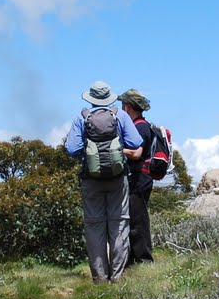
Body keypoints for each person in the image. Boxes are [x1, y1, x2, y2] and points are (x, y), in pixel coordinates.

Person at [64, 79, 143, 283]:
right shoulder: (121, 116)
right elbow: (135, 143)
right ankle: (117, 278)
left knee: (94, 226)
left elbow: (72, 149)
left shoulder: (81, 118)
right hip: (118, 178)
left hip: (91, 179)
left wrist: (90, 154)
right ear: (109, 98)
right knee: (118, 225)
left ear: (90, 98)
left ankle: (99, 278)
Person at [119, 88, 158, 264]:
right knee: (135, 219)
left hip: (139, 180)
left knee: (138, 221)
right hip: (141, 178)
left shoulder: (140, 127)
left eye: (123, 105)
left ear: (128, 107)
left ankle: (144, 260)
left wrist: (118, 150)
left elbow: (136, 153)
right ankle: (135, 259)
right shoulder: (142, 125)